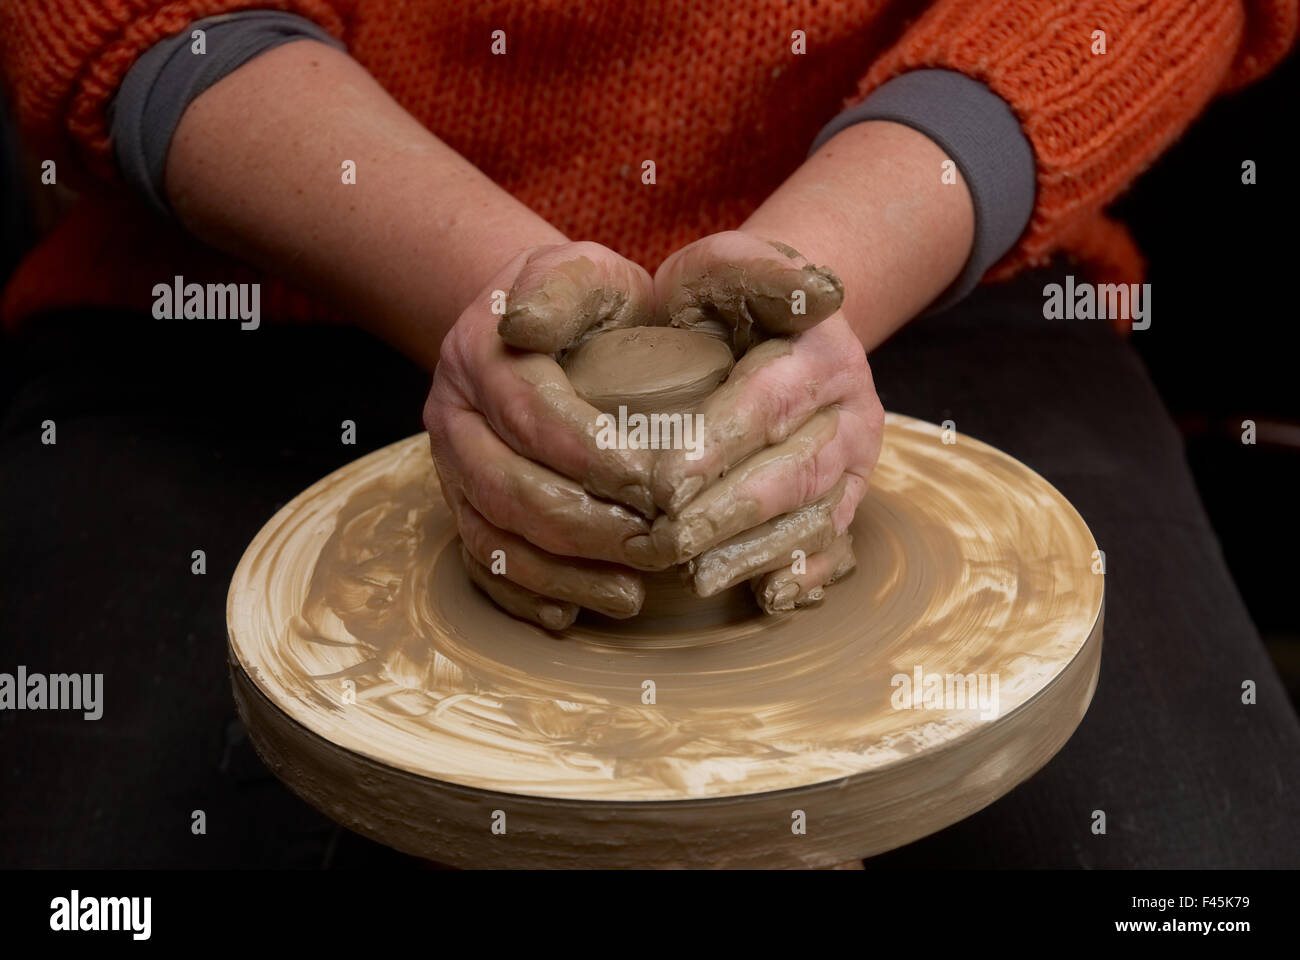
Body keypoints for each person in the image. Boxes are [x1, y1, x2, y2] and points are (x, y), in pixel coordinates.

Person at [1, 2, 1297, 868]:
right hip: (255, 281)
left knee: (1204, 859)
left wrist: (820, 268)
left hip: (914, 263)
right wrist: (500, 289)